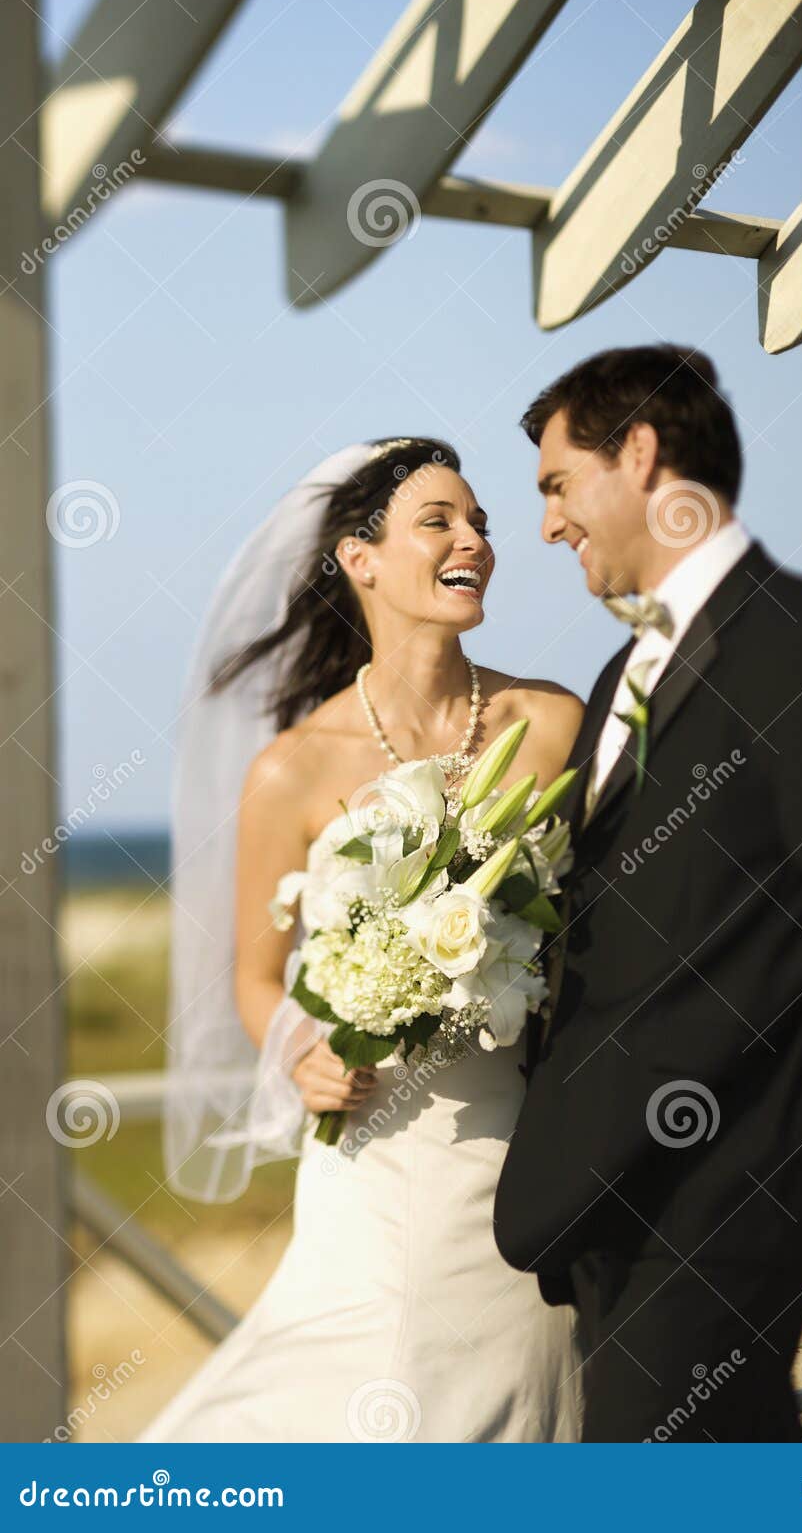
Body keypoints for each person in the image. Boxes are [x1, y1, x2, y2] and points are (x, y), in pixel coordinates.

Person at [493, 344, 802, 1443]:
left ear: (642, 457)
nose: (550, 525)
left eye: (558, 485)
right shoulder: (618, 676)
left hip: (732, 1190)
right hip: (607, 1191)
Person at [140, 437, 584, 1443]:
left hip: (516, 1151)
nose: (473, 539)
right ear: (360, 557)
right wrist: (301, 1054)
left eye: (480, 522)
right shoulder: (290, 769)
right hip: (366, 1160)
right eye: (439, 520)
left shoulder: (553, 725)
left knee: (511, 1405)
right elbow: (256, 979)